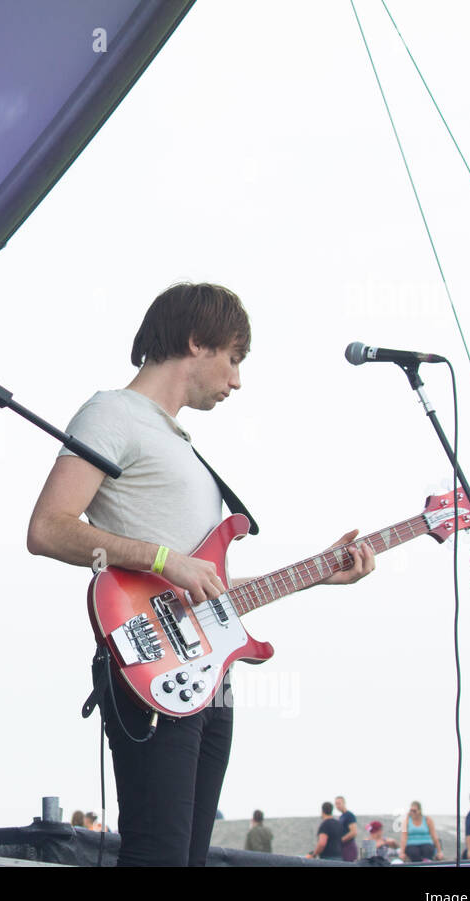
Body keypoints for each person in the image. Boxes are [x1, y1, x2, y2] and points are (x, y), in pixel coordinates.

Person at [26, 282, 374, 866]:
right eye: (234, 359)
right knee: (156, 854)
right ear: (196, 342)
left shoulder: (180, 444)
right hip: (149, 670)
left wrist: (317, 575)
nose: (236, 380)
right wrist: (163, 559)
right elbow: (48, 528)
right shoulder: (112, 413)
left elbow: (202, 592)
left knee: (187, 859)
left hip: (207, 678)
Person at [335, 794, 359, 862]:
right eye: (336, 804)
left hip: (349, 847)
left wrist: (340, 840)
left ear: (344, 803)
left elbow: (353, 832)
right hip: (342, 847)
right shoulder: (341, 817)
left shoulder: (349, 815)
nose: (337, 806)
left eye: (339, 803)